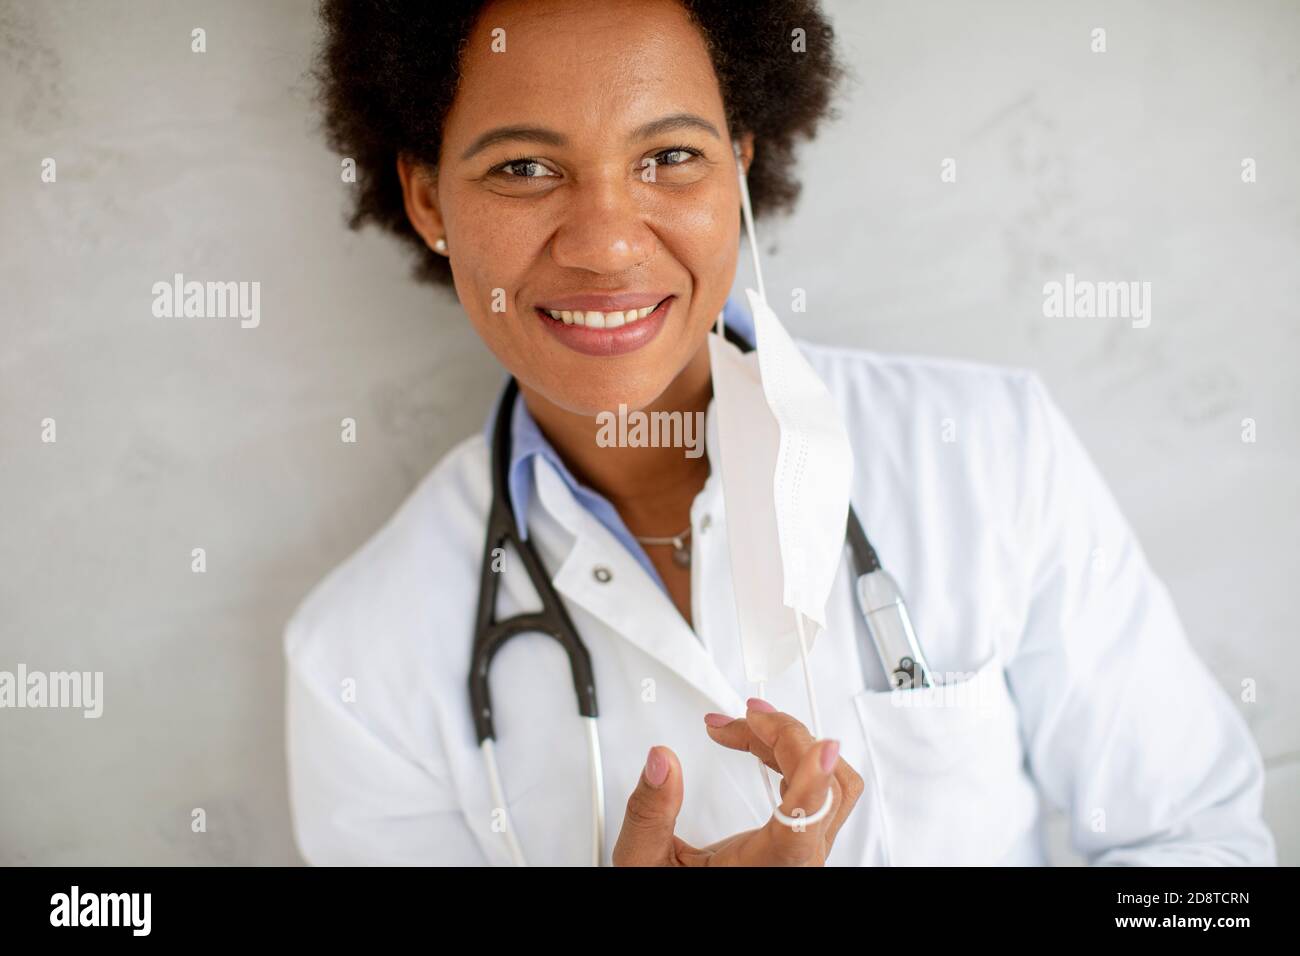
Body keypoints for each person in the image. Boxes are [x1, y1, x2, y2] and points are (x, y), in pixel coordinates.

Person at [283, 0, 1275, 866]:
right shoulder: (358, 660)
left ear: (741, 163)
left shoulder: (987, 449)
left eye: (670, 155)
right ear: (426, 197)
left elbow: (1198, 859)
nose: (608, 241)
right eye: (526, 166)